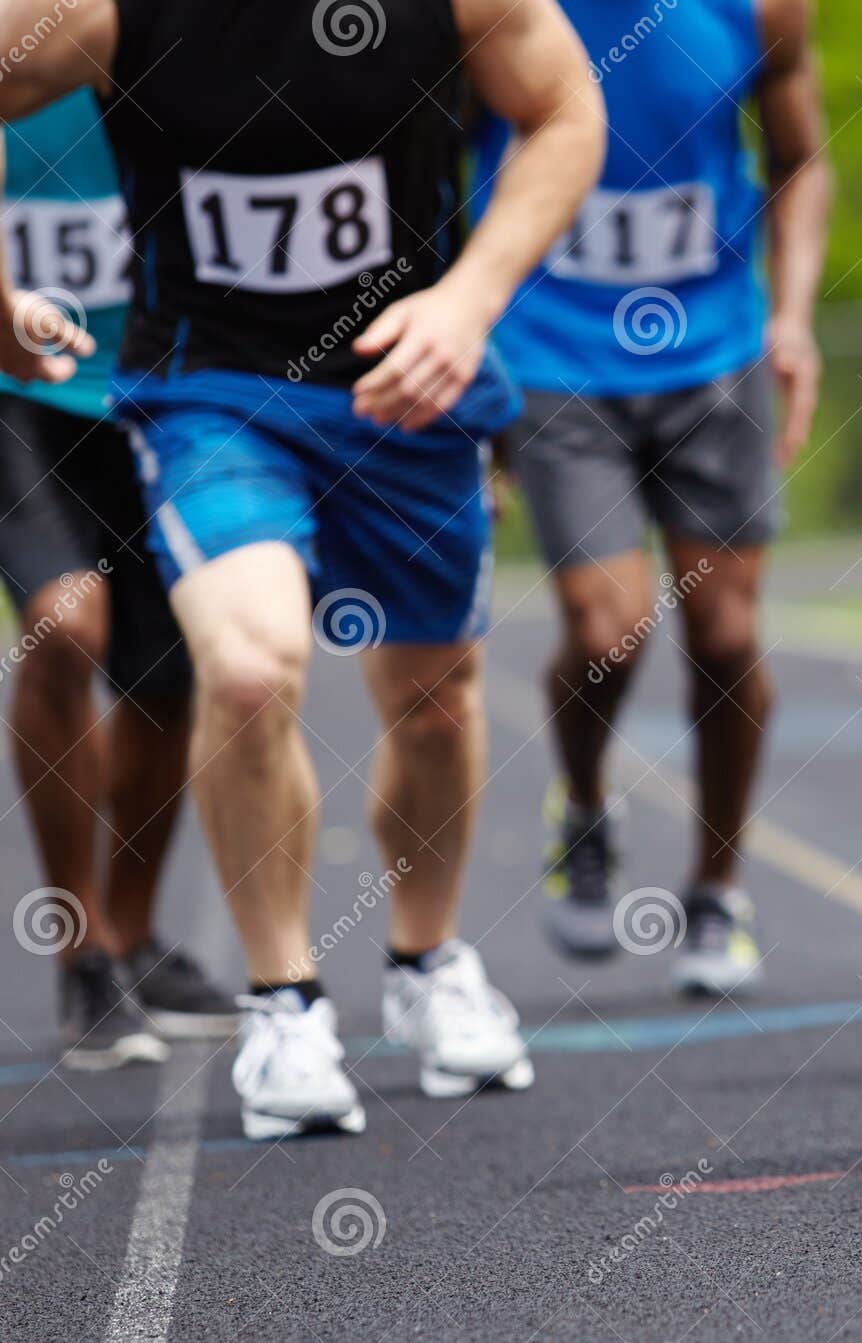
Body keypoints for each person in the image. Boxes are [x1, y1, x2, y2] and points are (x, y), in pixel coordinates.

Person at [0, 0, 605, 1138]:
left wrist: (469, 299)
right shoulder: (109, 13)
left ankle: (427, 960)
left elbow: (568, 107)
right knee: (247, 670)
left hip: (406, 378)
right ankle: (283, 998)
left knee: (434, 699)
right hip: (213, 394)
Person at [475, 0, 830, 997]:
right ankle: (585, 802)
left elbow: (800, 162)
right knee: (610, 629)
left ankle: (717, 890)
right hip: (553, 358)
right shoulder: (500, 14)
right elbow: (427, 175)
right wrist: (463, 342)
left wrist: (792, 317)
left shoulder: (762, 12)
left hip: (713, 352)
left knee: (725, 633)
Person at [0, 88, 235, 1068]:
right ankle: (83, 950)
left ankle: (134, 936)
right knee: (65, 625)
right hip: (18, 388)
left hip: (153, 385)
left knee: (170, 670)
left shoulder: (167, 46)